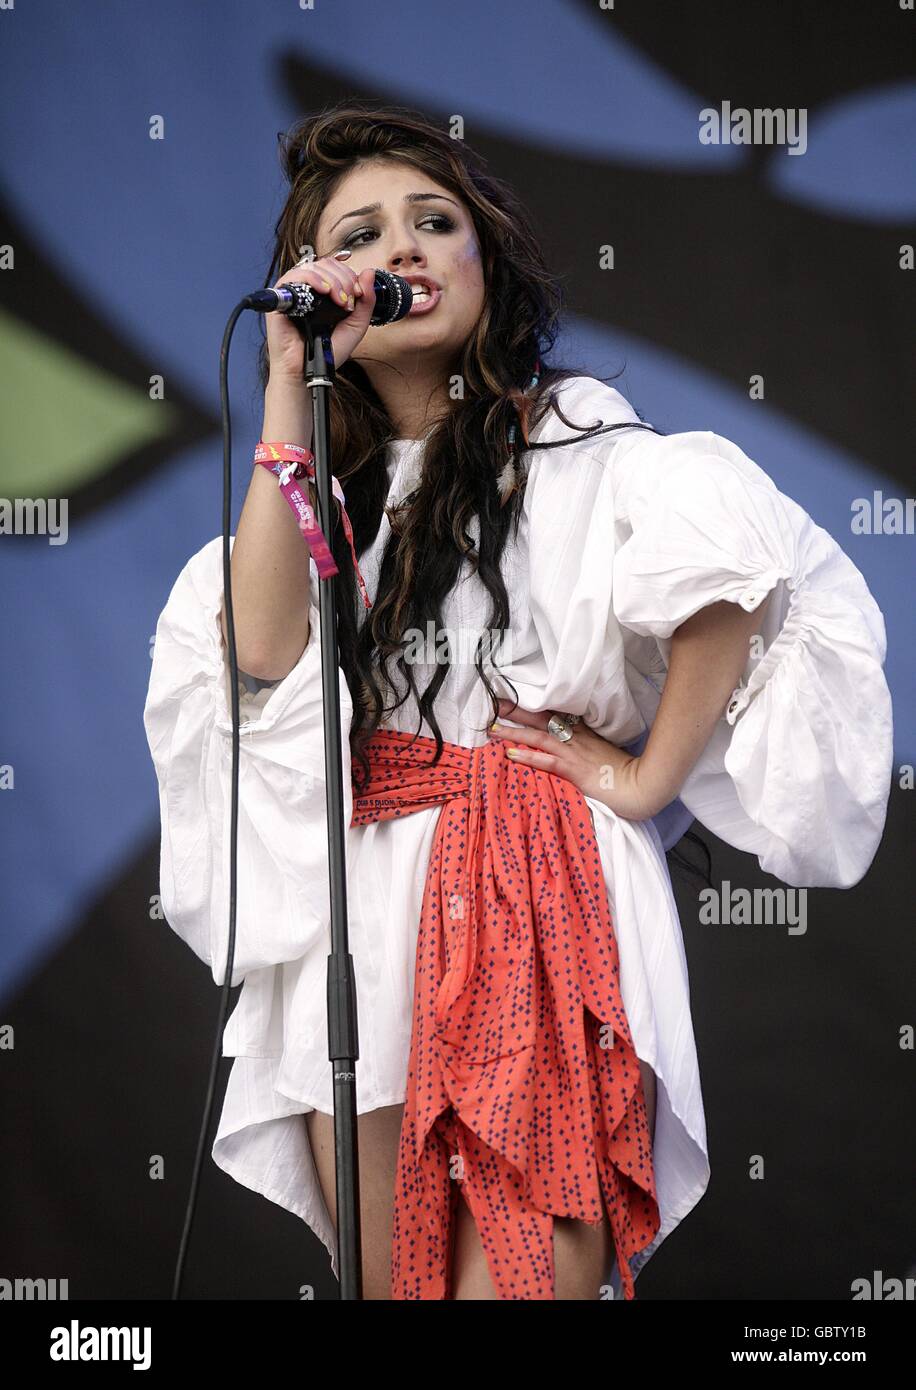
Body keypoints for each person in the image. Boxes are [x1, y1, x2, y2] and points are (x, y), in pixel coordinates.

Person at [143, 103, 893, 1300]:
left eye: (433, 222)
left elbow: (737, 568)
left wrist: (640, 779)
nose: (402, 248)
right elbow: (263, 651)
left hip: (535, 880)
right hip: (368, 905)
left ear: (484, 259)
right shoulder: (323, 489)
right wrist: (289, 385)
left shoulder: (570, 439)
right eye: (359, 236)